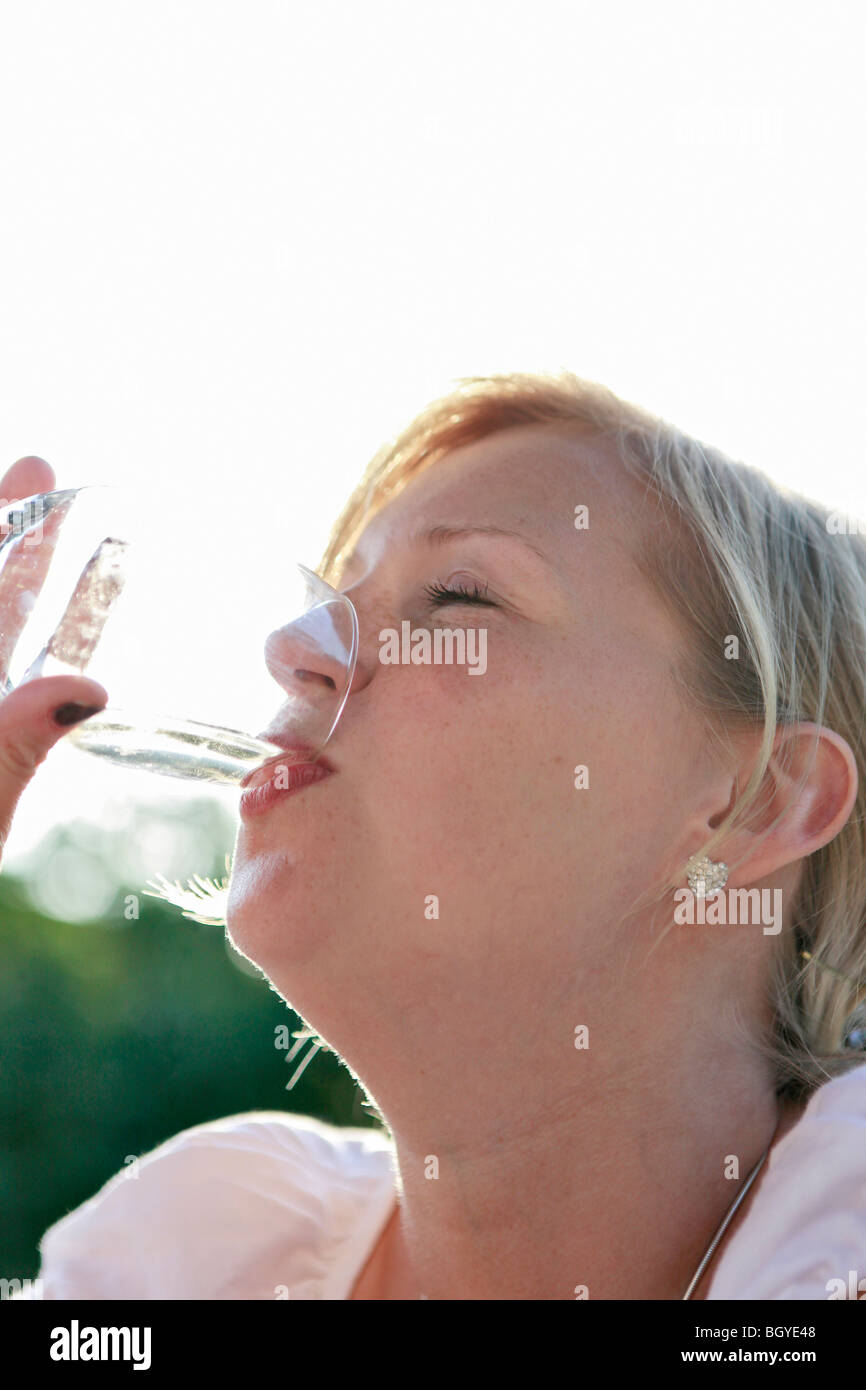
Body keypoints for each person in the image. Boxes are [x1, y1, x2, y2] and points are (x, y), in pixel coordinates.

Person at [3, 371, 866, 1301]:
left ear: (755, 802)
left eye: (456, 598)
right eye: (332, 597)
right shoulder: (192, 1260)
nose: (293, 648)